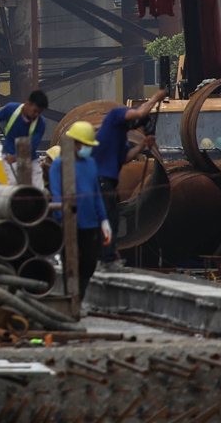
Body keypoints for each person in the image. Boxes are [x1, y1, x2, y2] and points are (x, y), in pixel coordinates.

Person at [93, 89, 167, 270]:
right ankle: (106, 259)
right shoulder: (115, 116)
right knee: (107, 219)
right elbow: (141, 112)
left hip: (107, 181)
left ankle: (105, 256)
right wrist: (156, 98)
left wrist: (142, 145)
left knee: (112, 218)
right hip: (100, 179)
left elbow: (125, 158)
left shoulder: (121, 136)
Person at [49, 121, 111, 301]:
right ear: (75, 143)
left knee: (88, 264)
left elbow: (95, 193)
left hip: (90, 224)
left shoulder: (91, 163)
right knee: (71, 264)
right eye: (85, 145)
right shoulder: (59, 164)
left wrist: (104, 220)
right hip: (69, 224)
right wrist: (63, 220)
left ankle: (79, 298)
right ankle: (72, 298)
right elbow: (56, 195)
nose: (87, 149)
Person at [0, 90, 50, 186]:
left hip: (29, 156)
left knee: (37, 184)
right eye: (35, 111)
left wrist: (16, 156)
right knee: (14, 183)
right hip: (9, 153)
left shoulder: (40, 123)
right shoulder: (11, 109)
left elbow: (32, 145)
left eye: (39, 112)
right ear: (27, 104)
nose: (36, 115)